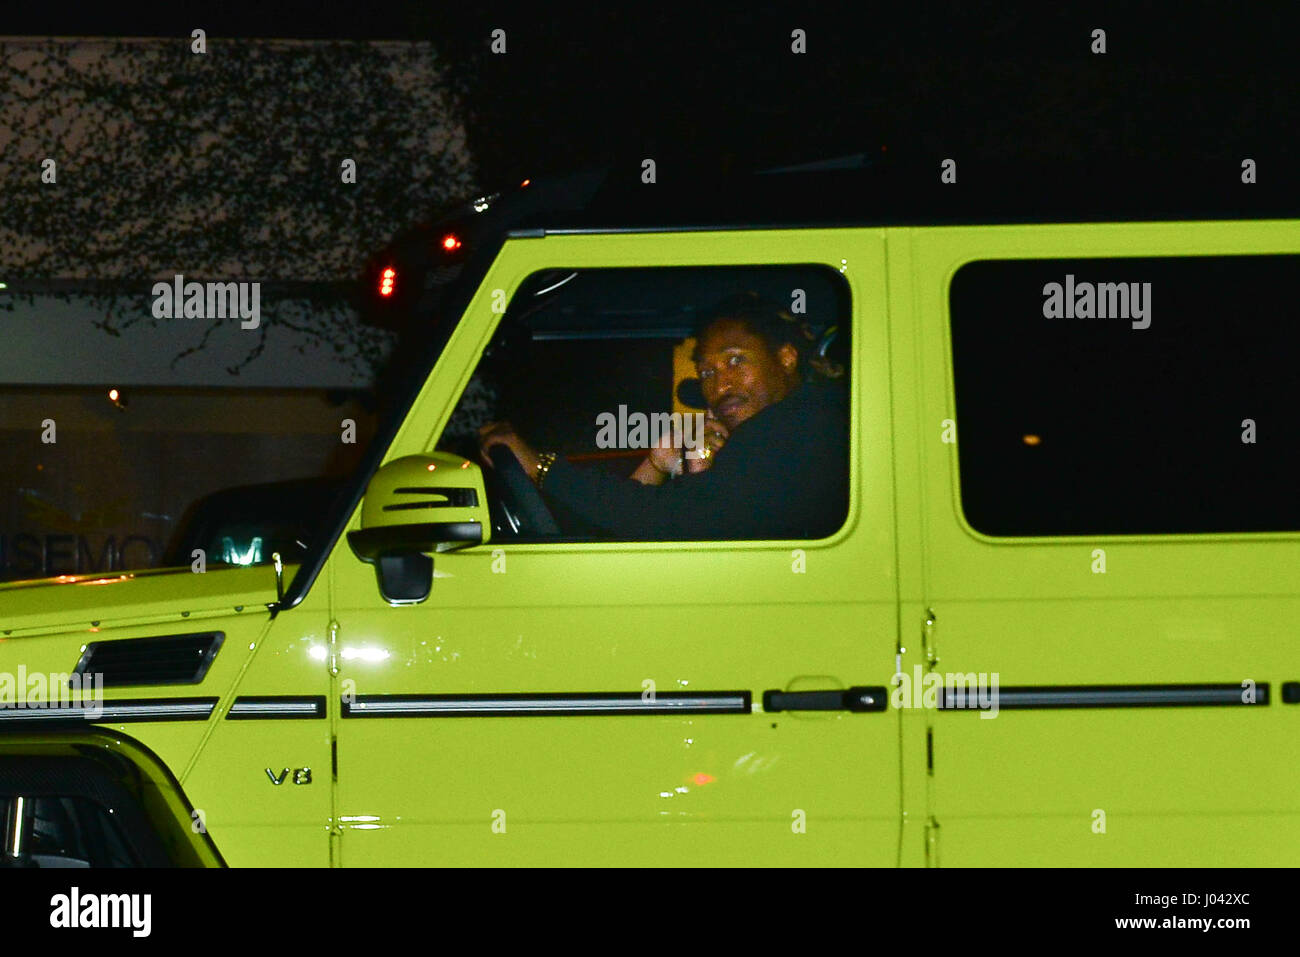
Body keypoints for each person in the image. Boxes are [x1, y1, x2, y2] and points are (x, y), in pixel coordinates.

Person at [478, 292, 848, 540]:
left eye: (736, 361)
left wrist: (543, 469)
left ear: (786, 357)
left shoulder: (797, 427)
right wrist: (662, 463)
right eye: (706, 372)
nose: (720, 385)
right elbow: (670, 525)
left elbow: (666, 519)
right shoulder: (780, 433)